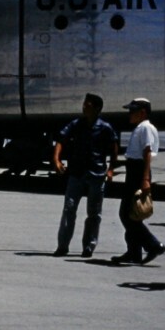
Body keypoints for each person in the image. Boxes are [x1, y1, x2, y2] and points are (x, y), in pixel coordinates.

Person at [50, 93, 117, 258]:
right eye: (84, 105)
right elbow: (61, 139)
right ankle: (62, 246)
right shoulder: (76, 124)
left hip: (96, 174)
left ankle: (89, 246)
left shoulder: (105, 127)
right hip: (76, 173)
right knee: (69, 209)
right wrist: (56, 159)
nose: (84, 108)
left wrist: (111, 169)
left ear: (97, 108)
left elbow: (114, 147)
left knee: (94, 213)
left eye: (88, 105)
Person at [111, 98, 165, 266]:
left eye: (133, 111)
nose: (129, 114)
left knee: (127, 214)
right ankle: (133, 252)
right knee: (131, 214)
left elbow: (147, 152)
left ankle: (153, 245)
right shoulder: (140, 127)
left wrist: (145, 178)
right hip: (134, 169)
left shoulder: (146, 128)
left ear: (142, 112)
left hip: (139, 171)